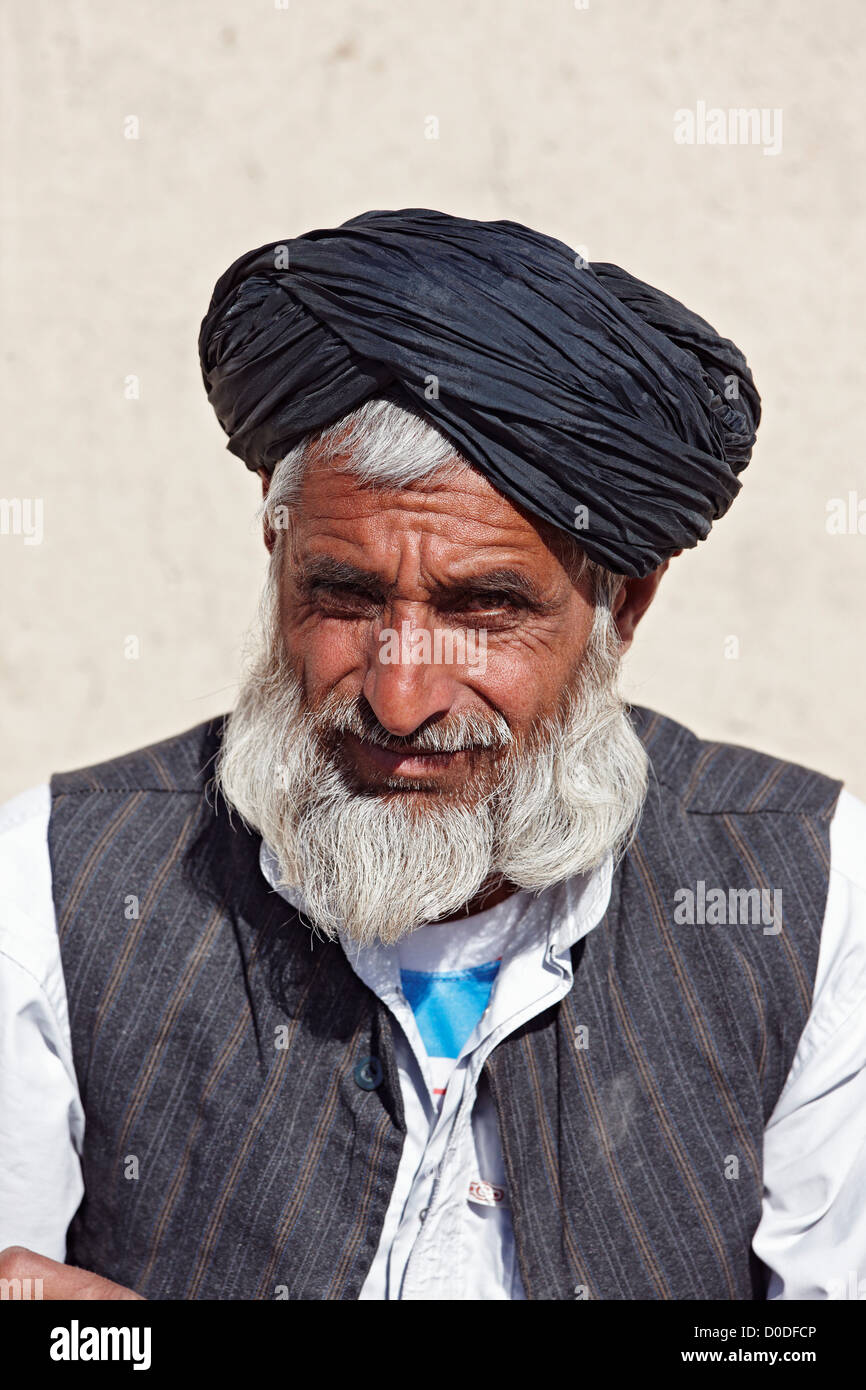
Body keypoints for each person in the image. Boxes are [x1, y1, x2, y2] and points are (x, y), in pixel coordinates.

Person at [1, 208, 863, 1301]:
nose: (400, 696)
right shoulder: (53, 888)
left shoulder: (811, 895)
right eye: (344, 595)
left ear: (621, 605)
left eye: (485, 608)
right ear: (276, 559)